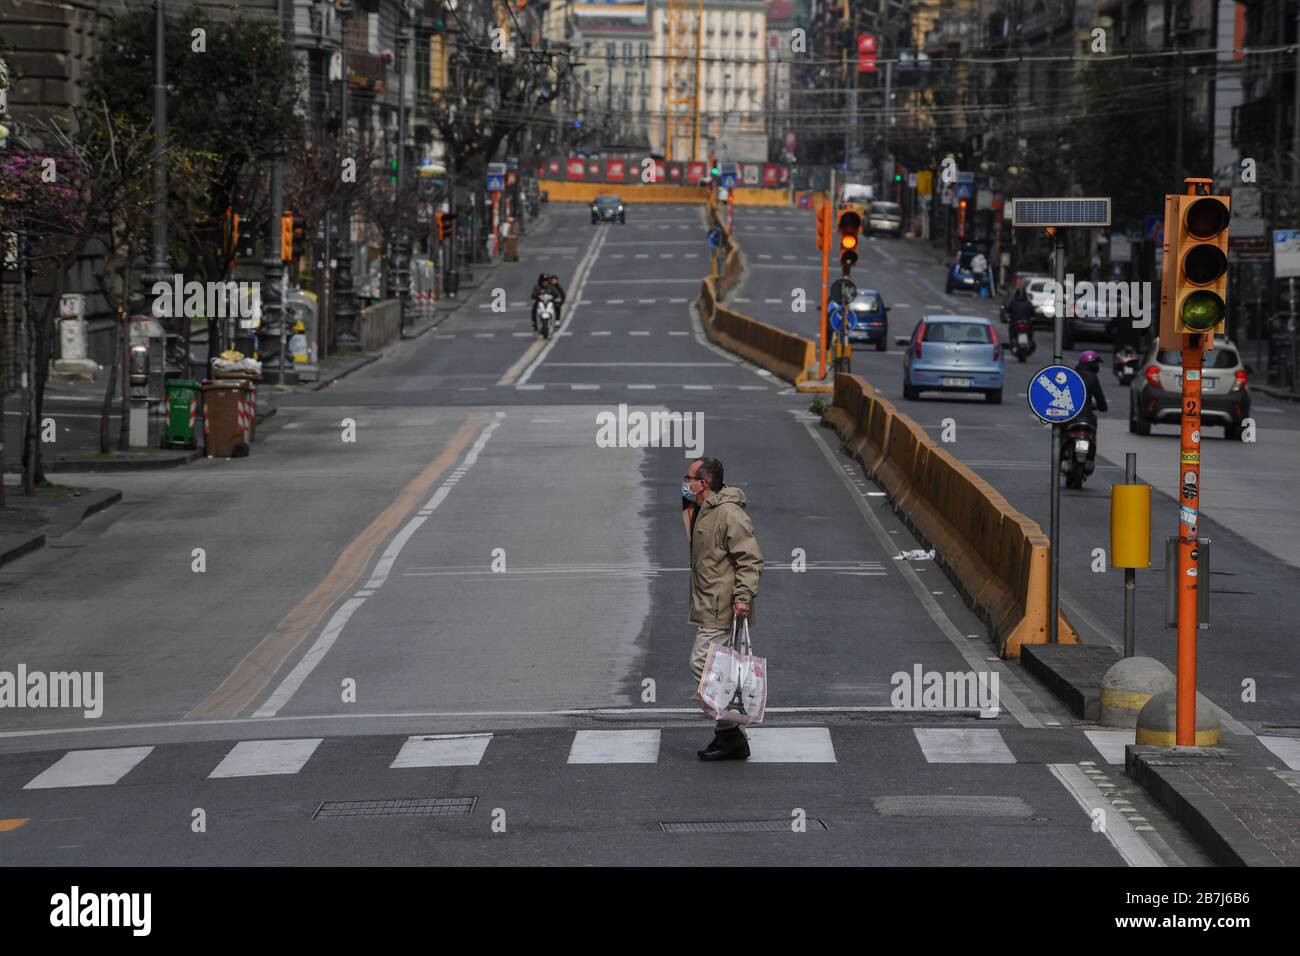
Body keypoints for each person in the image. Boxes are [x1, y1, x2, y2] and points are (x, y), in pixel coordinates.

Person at [681, 457, 764, 761]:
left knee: (702, 664)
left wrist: (743, 595)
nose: (684, 482)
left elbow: (750, 558)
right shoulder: (701, 509)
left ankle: (730, 732)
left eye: (688, 478)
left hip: (724, 605)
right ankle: (729, 735)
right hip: (707, 603)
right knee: (715, 669)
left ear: (702, 484)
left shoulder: (729, 514)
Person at [1075, 350, 1109, 425]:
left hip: (1069, 416)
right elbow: (1099, 396)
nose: (1097, 366)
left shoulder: (1071, 374)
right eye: (1096, 363)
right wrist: (1103, 407)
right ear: (1091, 364)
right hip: (1086, 416)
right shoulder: (1092, 377)